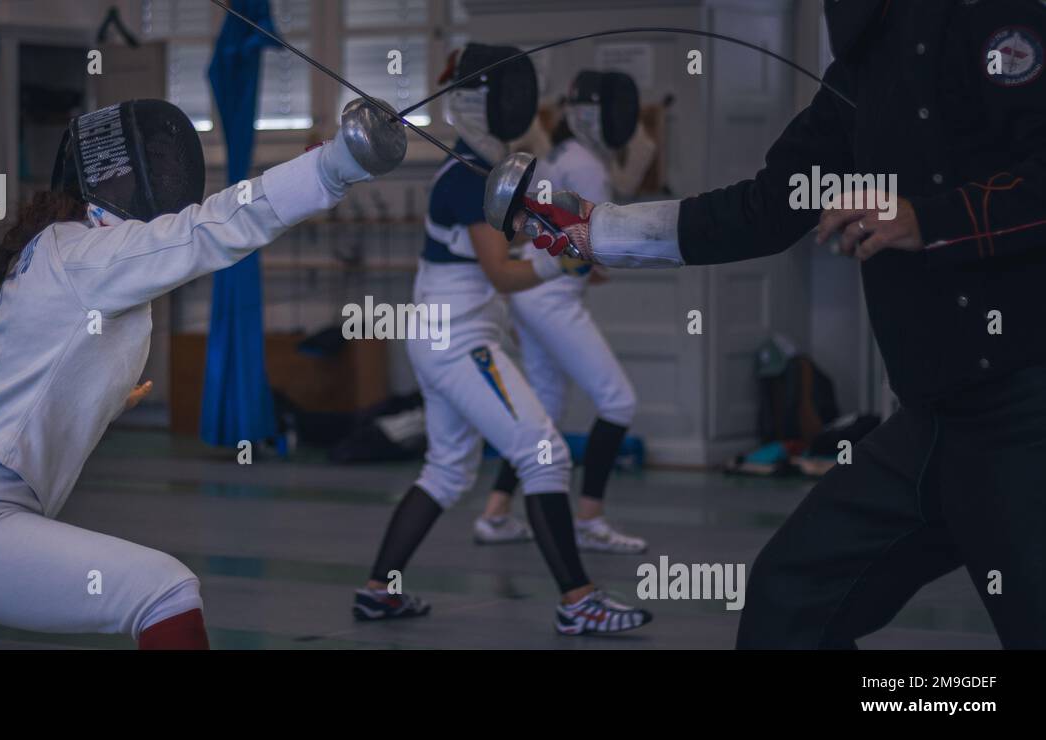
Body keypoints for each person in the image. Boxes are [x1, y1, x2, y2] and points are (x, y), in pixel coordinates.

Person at [506, 0, 1046, 647]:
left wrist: (930, 219)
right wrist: (602, 229)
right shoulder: (862, 63)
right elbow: (770, 205)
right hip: (929, 424)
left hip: (1024, 413)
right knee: (787, 603)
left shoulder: (998, 21)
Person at [0, 98, 398, 650]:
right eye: (146, 163)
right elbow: (212, 229)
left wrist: (106, 395)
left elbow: (37, 364)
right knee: (166, 593)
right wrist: (329, 167)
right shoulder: (86, 252)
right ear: (109, 178)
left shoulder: (62, 248)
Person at [351, 45, 652, 635]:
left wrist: (563, 244)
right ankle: (578, 601)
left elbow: (501, 254)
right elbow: (504, 275)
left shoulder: (481, 170)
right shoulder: (463, 180)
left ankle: (377, 592)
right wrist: (561, 266)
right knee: (545, 454)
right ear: (481, 102)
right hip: (458, 341)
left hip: (447, 334)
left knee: (446, 472)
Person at [473, 71, 655, 554]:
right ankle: (589, 520)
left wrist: (582, 265)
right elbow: (595, 241)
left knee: (547, 409)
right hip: (548, 298)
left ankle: (494, 513)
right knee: (618, 401)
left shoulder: (561, 156)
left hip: (533, 292)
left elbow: (552, 230)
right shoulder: (588, 165)